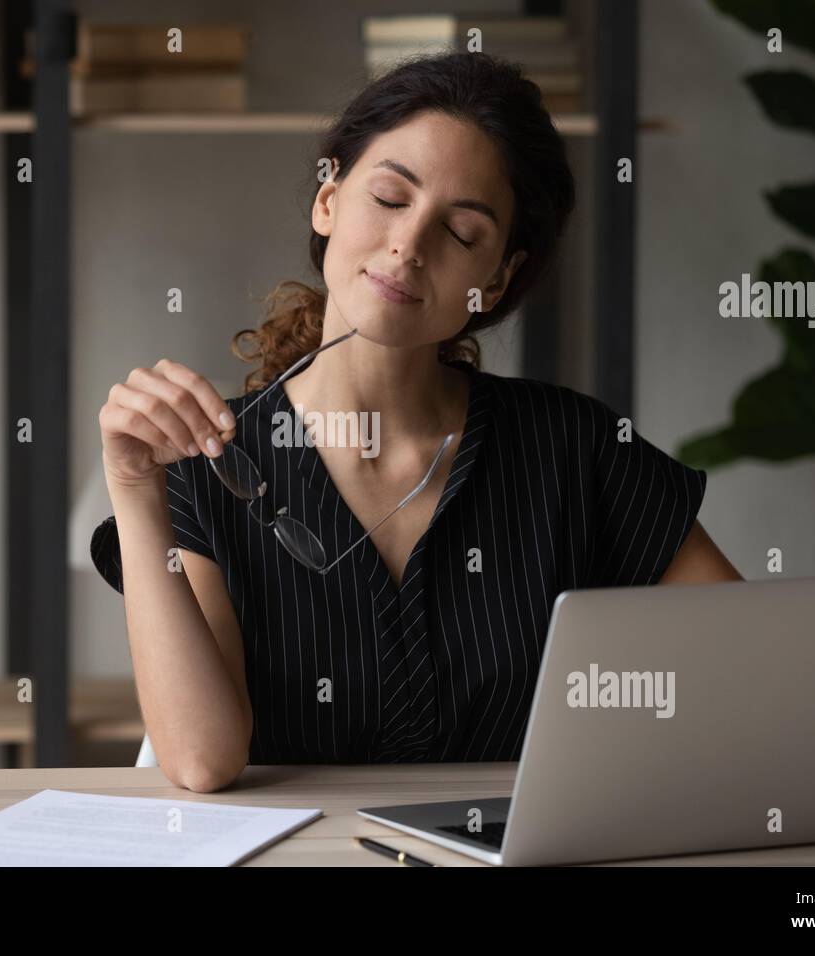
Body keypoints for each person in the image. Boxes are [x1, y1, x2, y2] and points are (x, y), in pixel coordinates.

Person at [92, 52, 742, 793]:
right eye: (390, 198)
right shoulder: (208, 461)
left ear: (495, 279)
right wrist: (133, 487)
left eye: (462, 234)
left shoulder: (574, 447)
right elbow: (204, 760)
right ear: (328, 201)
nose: (410, 245)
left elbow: (745, 663)